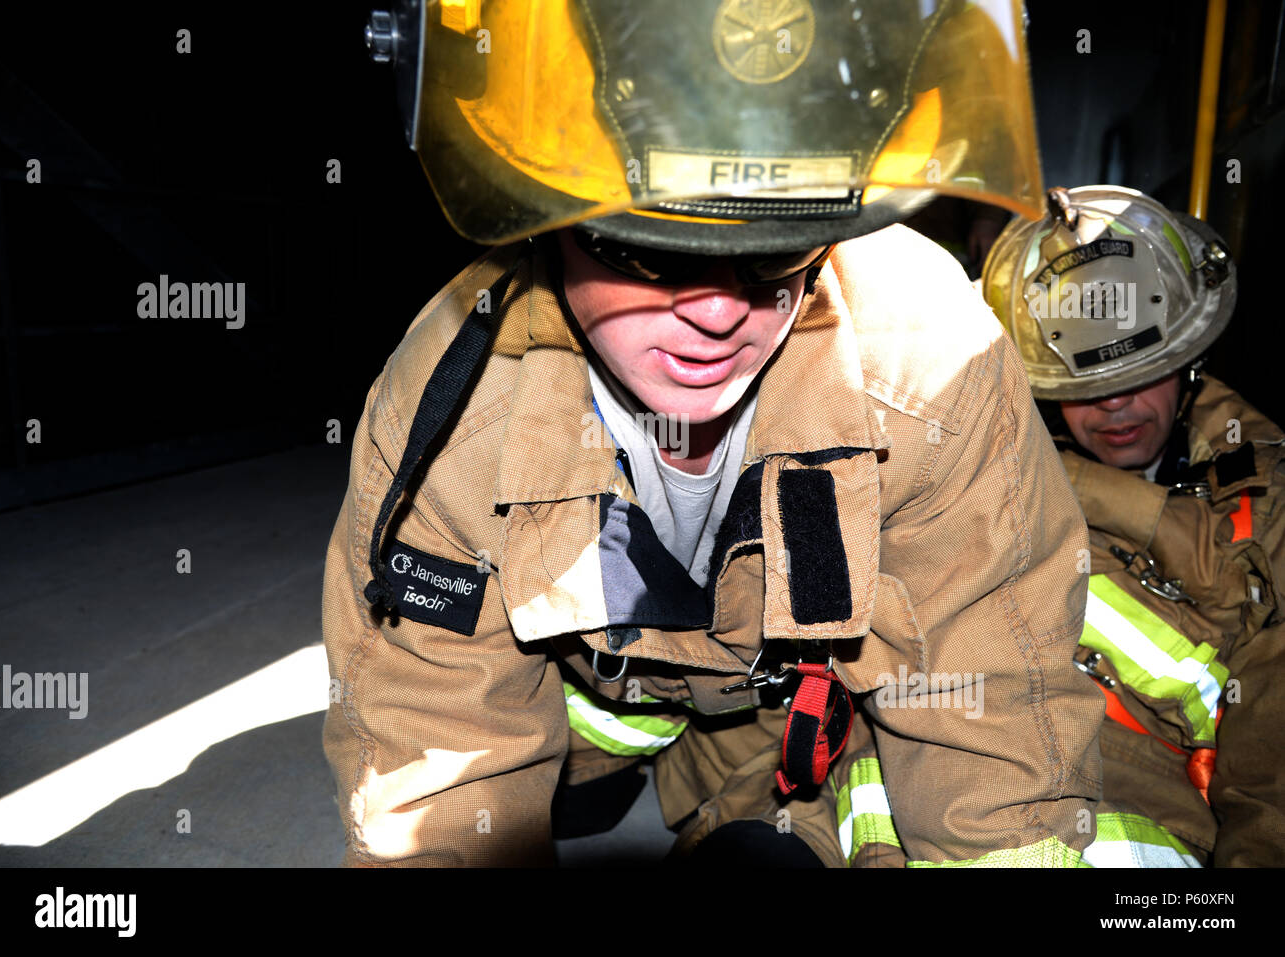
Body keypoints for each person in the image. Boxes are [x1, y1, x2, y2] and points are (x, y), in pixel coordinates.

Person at [322, 0, 1104, 866]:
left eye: (776, 249)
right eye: (651, 248)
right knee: (545, 811)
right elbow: (435, 740)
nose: (719, 310)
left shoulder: (932, 369)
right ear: (548, 219)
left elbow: (990, 708)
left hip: (787, 714)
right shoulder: (452, 414)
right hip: (593, 697)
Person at [982, 184, 1285, 865]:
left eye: (1142, 371)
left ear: (1190, 358)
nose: (1115, 404)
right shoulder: (994, 477)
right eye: (1083, 384)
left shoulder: (1269, 495)